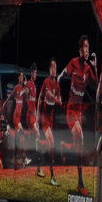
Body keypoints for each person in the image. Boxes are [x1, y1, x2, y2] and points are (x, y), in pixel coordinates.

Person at [58, 35, 98, 194]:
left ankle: (64, 146)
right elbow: (61, 76)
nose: (87, 50)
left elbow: (96, 88)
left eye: (89, 47)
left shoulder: (88, 69)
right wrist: (59, 94)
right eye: (85, 47)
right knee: (80, 137)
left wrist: (95, 67)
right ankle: (80, 184)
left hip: (79, 113)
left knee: (78, 145)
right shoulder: (73, 63)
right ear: (80, 49)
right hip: (70, 111)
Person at [38, 58, 63, 186]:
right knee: (52, 142)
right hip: (45, 118)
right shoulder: (46, 81)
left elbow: (60, 98)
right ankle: (52, 176)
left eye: (56, 67)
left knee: (48, 144)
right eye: (52, 67)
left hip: (52, 118)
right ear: (49, 69)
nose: (54, 69)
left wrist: (59, 99)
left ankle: (39, 162)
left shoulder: (57, 84)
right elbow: (46, 95)